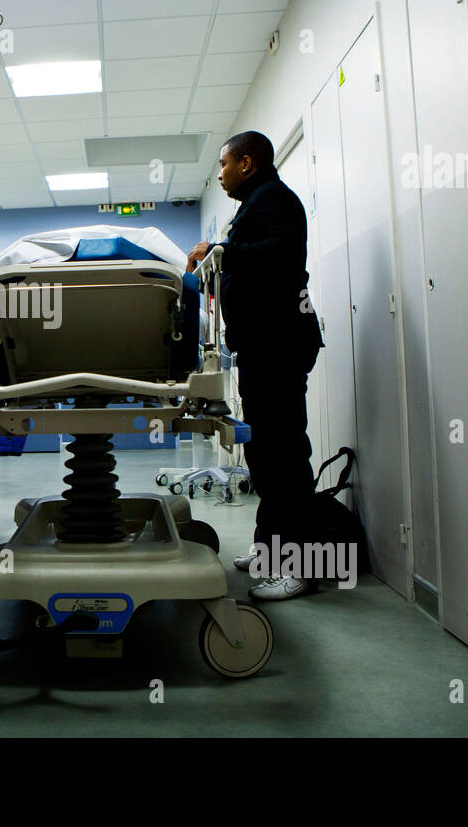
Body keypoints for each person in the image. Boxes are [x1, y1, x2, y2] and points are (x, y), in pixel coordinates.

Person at [186, 130, 324, 601]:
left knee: (285, 455)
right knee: (265, 454)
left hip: (280, 343)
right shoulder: (256, 203)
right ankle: (269, 549)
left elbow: (282, 258)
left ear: (246, 163)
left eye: (223, 164)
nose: (220, 173)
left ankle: (302, 566)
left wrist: (222, 252)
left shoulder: (275, 200)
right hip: (262, 347)